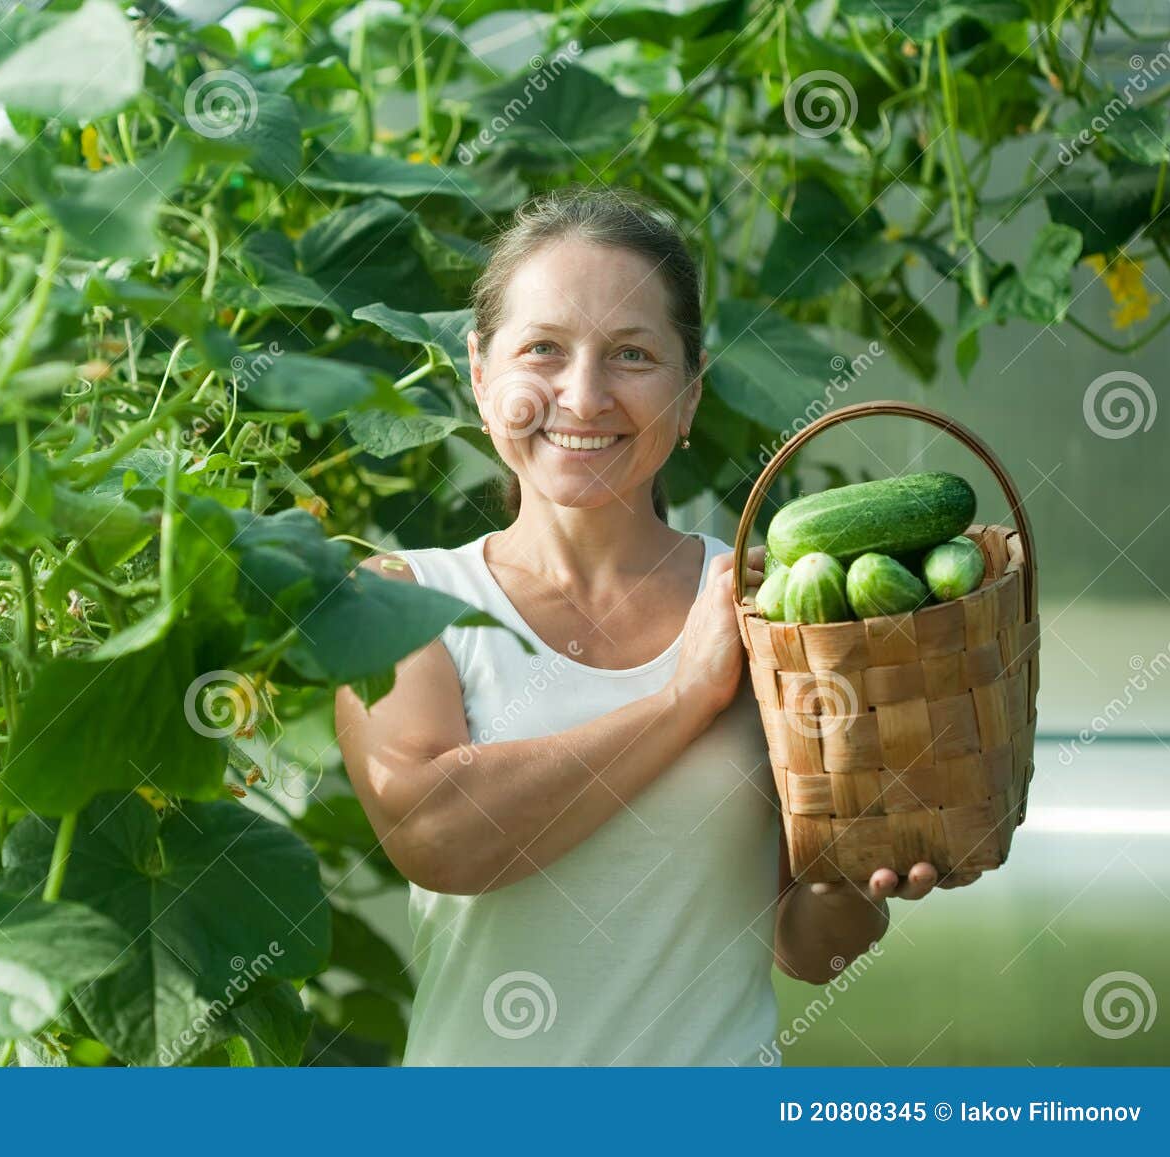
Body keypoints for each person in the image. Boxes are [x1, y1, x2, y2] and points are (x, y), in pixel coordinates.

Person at [333, 186, 978, 1066]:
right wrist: (684, 698)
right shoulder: (399, 597)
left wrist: (857, 868)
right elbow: (438, 836)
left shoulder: (773, 604)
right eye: (544, 351)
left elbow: (809, 948)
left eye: (632, 354)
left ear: (689, 392)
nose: (585, 395)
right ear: (482, 376)